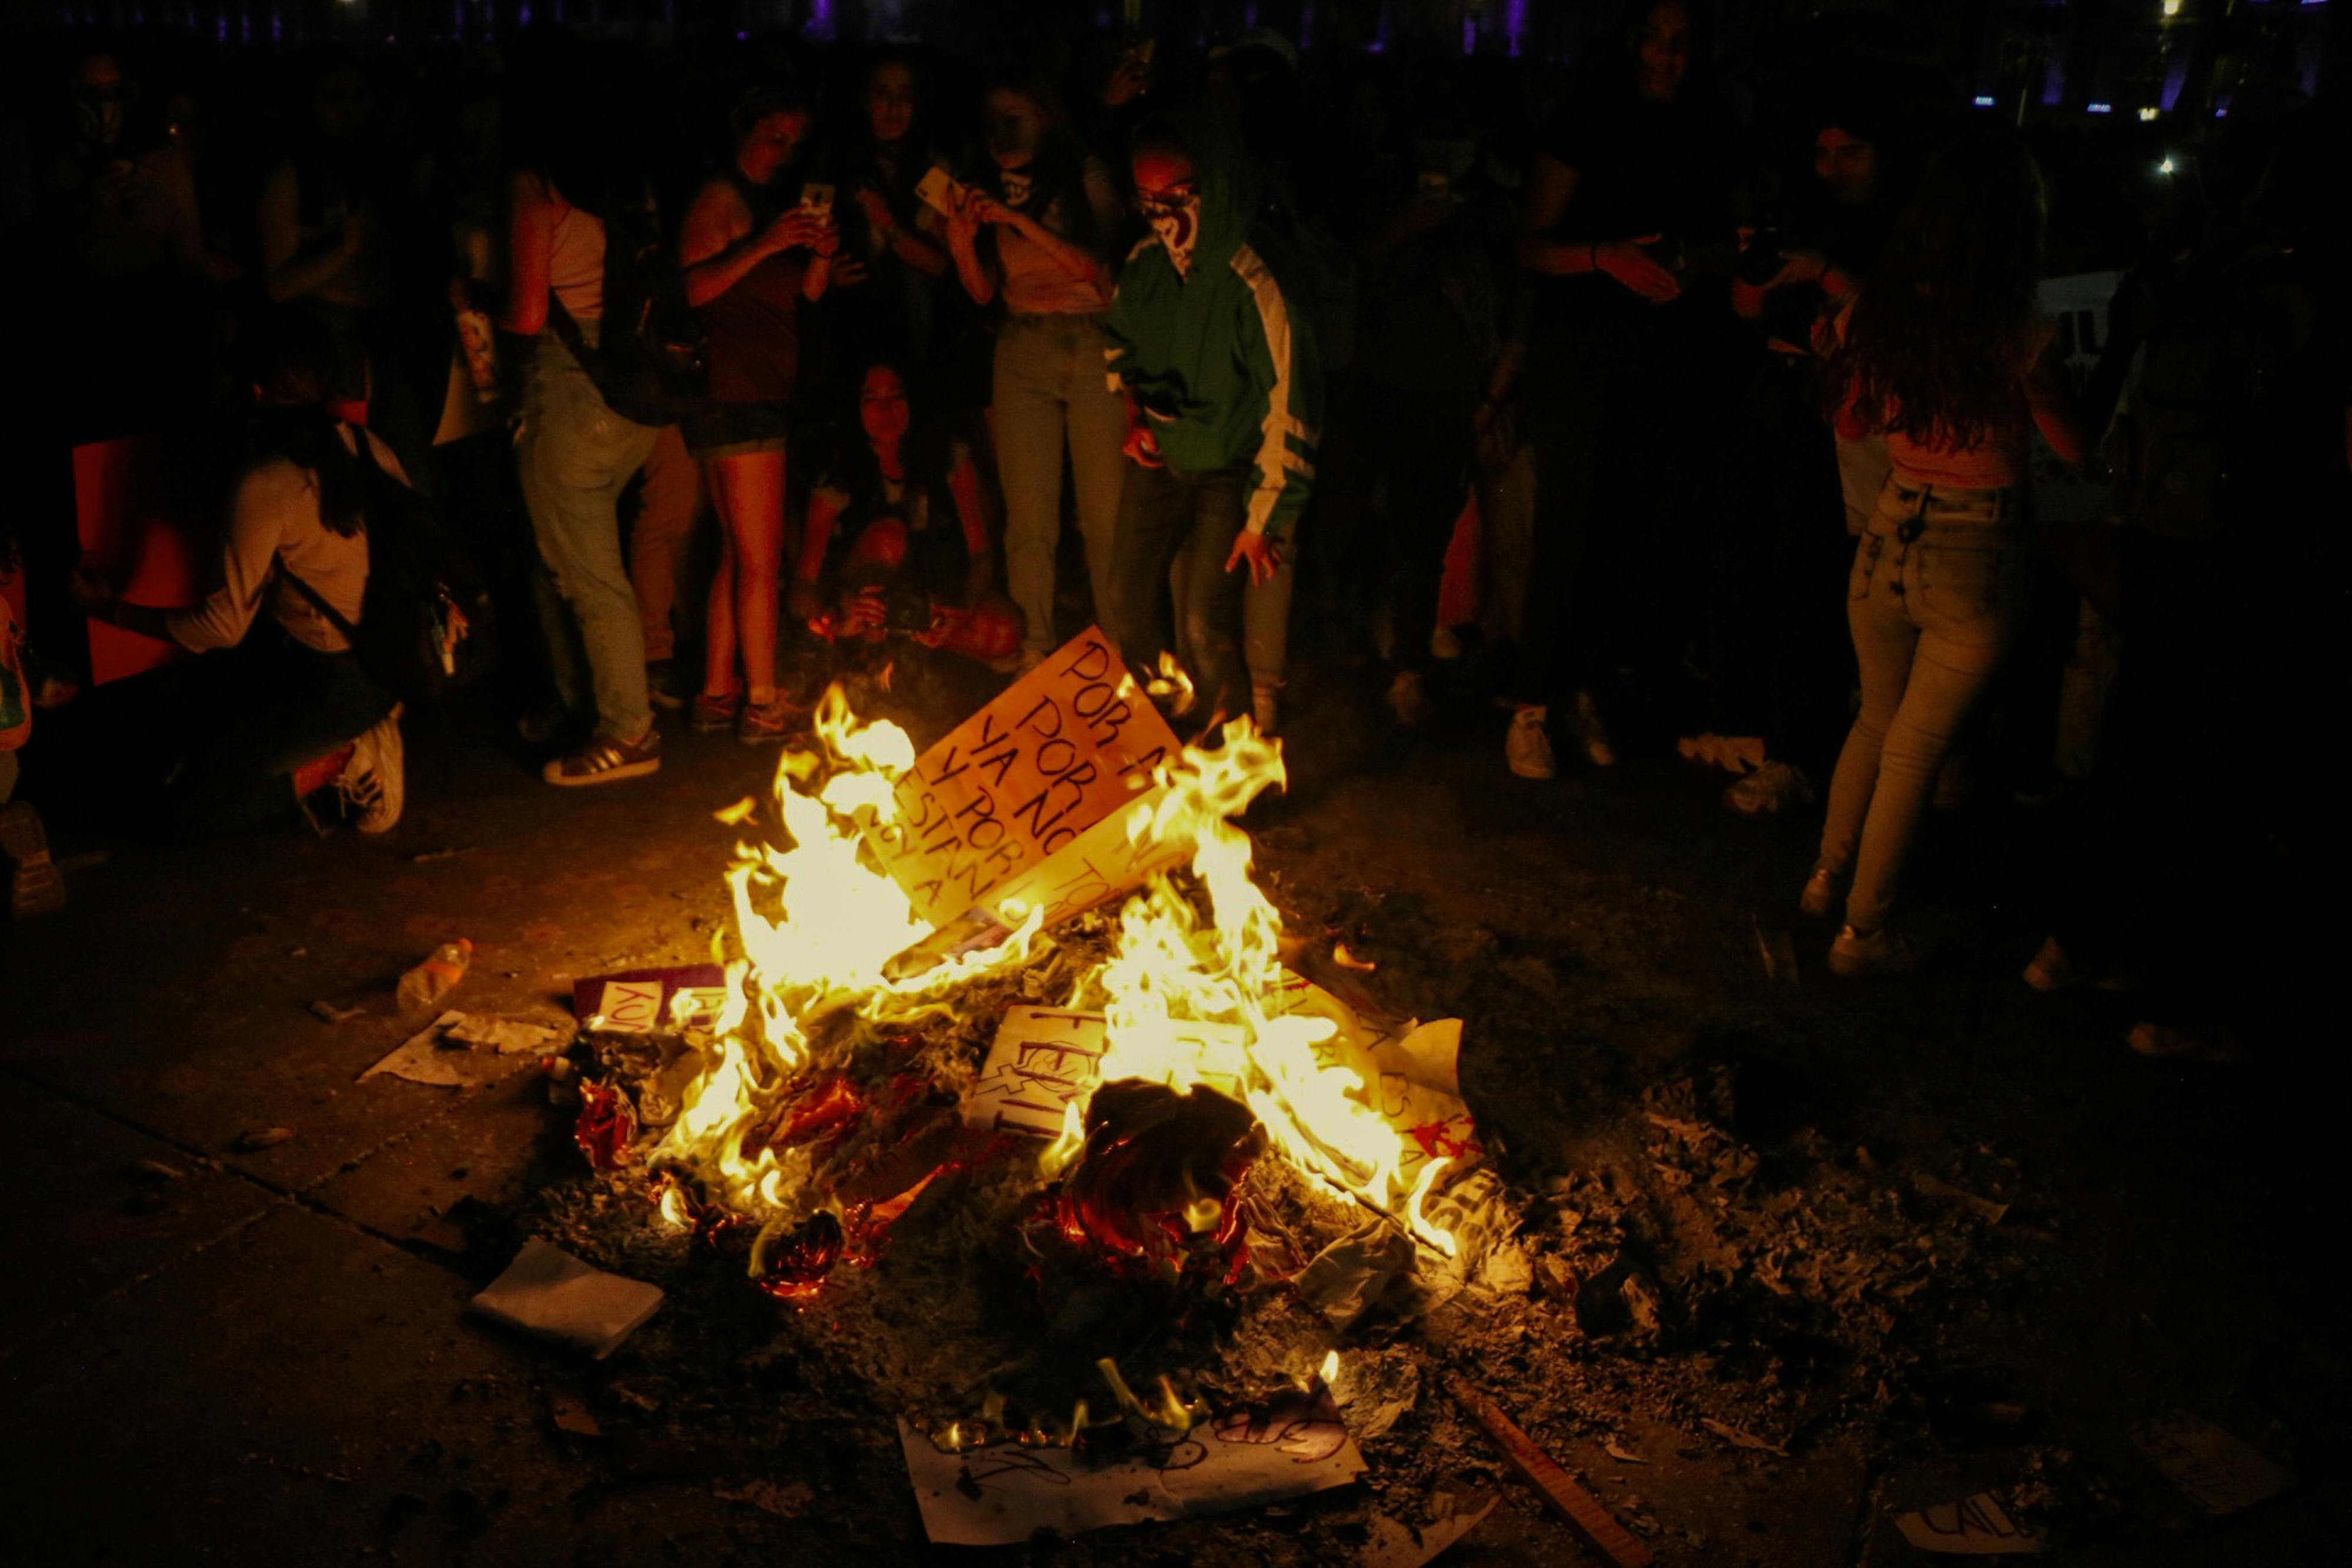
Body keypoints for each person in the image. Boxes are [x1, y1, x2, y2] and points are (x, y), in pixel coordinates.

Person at [1802, 128, 2086, 977]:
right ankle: (1865, 931)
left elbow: (1850, 422)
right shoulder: (2020, 331)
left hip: (1888, 532)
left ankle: (1824, 881)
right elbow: (2071, 446)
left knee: (1876, 719)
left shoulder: (1878, 312)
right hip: (1975, 548)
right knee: (1917, 746)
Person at [1509, 0, 1743, 778]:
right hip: (1579, 353)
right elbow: (1532, 246)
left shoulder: (1710, 123)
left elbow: (1718, 243)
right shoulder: (1588, 118)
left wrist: (1692, 263)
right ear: (1628, 39)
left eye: (1680, 43)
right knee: (1570, 521)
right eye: (1652, 38)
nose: (1663, 57)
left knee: (1632, 527)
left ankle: (1584, 686)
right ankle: (1532, 704)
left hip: (1666, 357)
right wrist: (1606, 256)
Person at [69, 310, 406, 838]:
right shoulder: (370, 446)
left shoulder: (266, 482)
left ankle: (343, 755)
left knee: (187, 808)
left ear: (253, 391)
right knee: (201, 730)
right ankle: (356, 724)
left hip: (337, 682)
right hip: (390, 658)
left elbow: (222, 628)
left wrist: (108, 609)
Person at [1104, 109, 1322, 729]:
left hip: (1231, 468)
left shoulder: (1254, 279)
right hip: (1164, 457)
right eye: (1149, 200)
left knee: (1204, 623)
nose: (1165, 215)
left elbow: (1292, 402)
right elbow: (1121, 348)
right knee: (1125, 597)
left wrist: (1265, 518)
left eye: (1178, 197)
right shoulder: (1146, 265)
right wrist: (1135, 418)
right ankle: (1157, 739)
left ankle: (1227, 762)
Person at [500, 108, 665, 785]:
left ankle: (629, 730)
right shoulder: (631, 182)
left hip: (570, 390)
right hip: (634, 387)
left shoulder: (536, 188)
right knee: (563, 562)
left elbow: (529, 312)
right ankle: (582, 705)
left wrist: (483, 298)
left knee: (589, 575)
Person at [941, 68, 1125, 672]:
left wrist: (1018, 221)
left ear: (1045, 116)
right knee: (1028, 515)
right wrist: (964, 240)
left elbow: (1102, 273)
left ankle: (1119, 650)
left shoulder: (1085, 175)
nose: (999, 134)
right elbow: (982, 293)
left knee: (1104, 515)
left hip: (1092, 341)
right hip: (1022, 345)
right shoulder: (987, 185)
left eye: (1012, 119)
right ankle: (1033, 647)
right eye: (992, 123)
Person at [677, 83, 840, 744]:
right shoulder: (721, 199)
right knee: (762, 560)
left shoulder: (769, 204)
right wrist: (767, 243)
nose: (783, 153)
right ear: (743, 131)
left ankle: (718, 693)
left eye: (793, 144)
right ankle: (764, 703)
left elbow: (800, 295)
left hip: (758, 391)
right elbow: (691, 289)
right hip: (734, 395)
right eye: (775, 139)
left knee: (738, 556)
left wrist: (819, 257)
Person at [791, 361, 1020, 665]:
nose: (886, 411)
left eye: (896, 397)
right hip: (864, 612)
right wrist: (838, 610)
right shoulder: (839, 475)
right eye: (872, 400)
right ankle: (868, 660)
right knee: (889, 538)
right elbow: (802, 589)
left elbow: (981, 554)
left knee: (1004, 631)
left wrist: (959, 608)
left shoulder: (947, 456)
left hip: (929, 600)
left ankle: (936, 657)